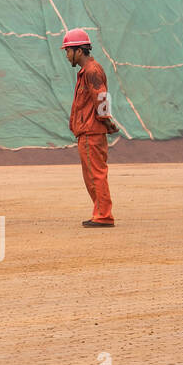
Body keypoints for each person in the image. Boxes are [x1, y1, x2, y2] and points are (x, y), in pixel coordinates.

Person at [63, 28, 119, 228]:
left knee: (96, 174)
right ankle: (100, 212)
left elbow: (102, 97)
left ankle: (104, 215)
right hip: (89, 132)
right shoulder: (87, 71)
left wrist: (106, 120)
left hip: (92, 132)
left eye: (68, 50)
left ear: (79, 50)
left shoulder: (92, 70)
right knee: (92, 175)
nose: (67, 55)